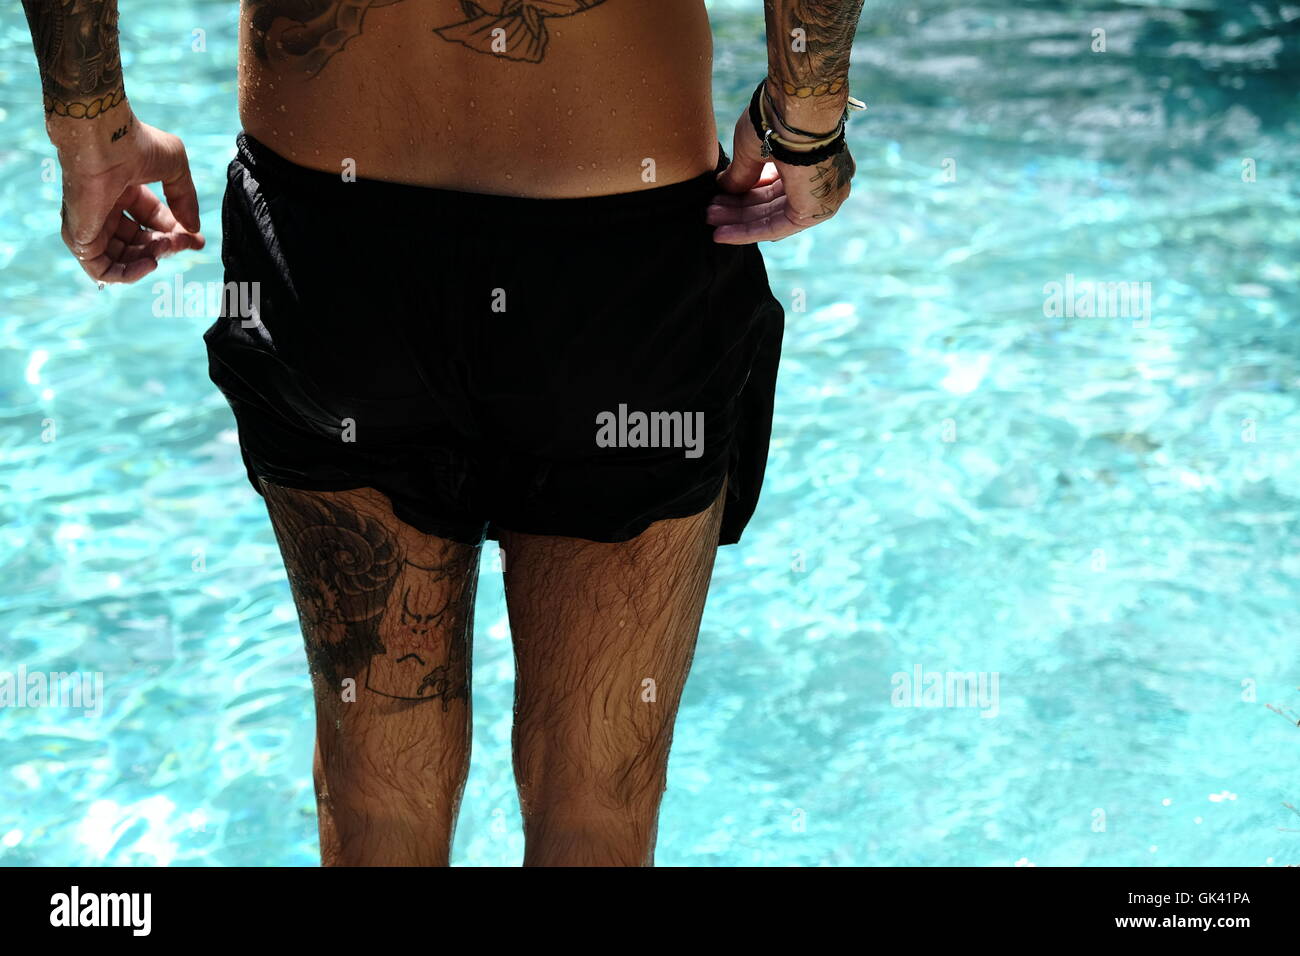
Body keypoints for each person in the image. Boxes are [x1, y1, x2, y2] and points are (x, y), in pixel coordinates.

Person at [20, 0, 865, 866]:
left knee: (376, 790)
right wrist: (804, 121)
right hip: (616, 229)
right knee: (599, 802)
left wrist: (90, 127)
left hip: (332, 234)